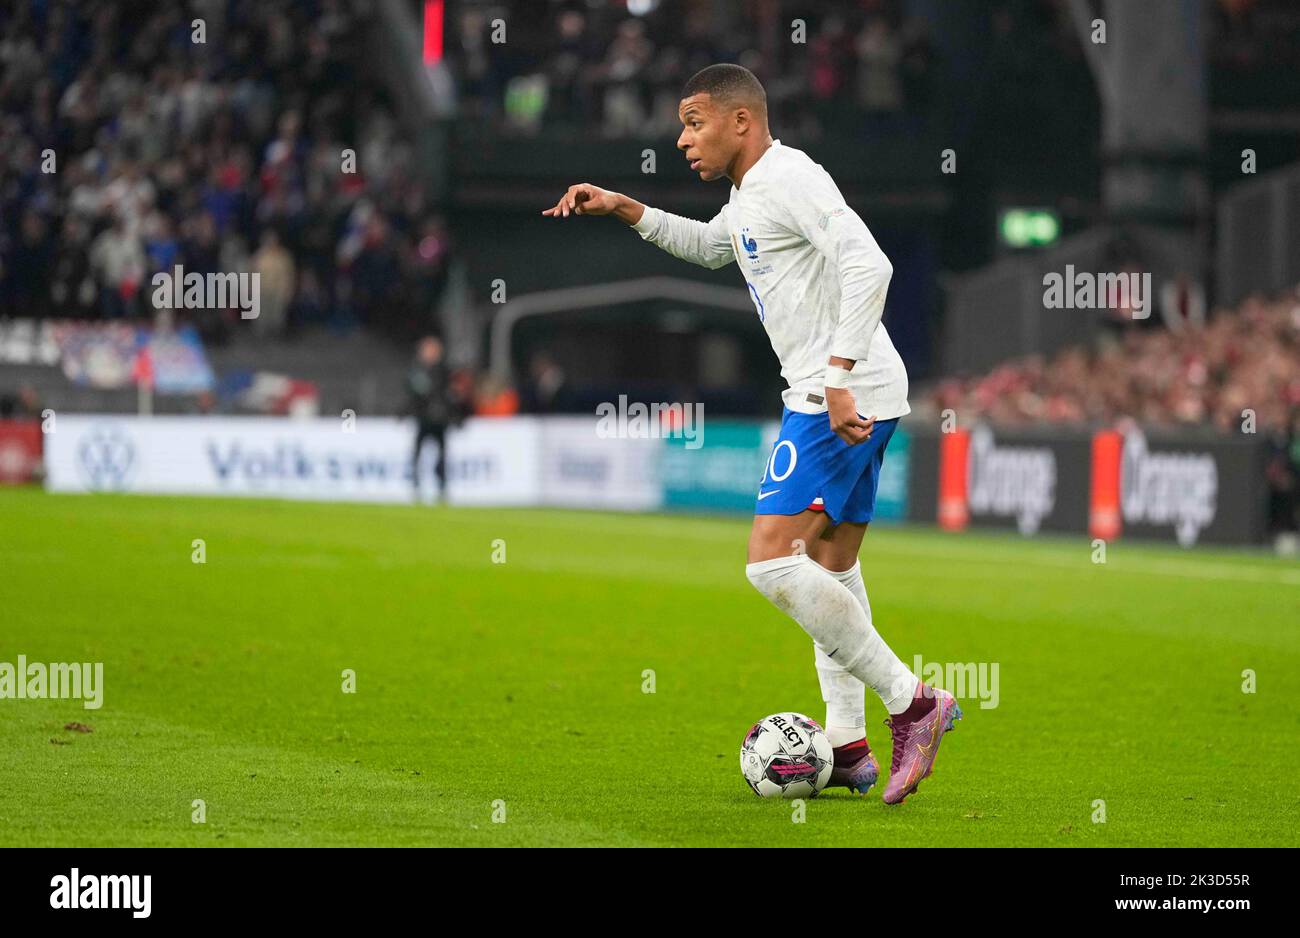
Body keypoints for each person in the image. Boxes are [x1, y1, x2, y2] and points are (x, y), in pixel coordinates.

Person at [542, 63, 959, 804]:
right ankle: (848, 742)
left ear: (743, 121)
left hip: (838, 391)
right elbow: (710, 247)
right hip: (861, 388)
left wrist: (835, 374)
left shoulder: (791, 177)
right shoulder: (748, 195)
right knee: (829, 567)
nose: (681, 139)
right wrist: (621, 206)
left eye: (694, 121)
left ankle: (913, 701)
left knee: (770, 563)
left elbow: (872, 262)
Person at [407, 336, 455, 502]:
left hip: (440, 420)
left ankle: (441, 487)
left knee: (441, 455)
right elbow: (412, 394)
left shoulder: (444, 370)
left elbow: (451, 395)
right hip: (423, 419)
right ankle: (416, 485)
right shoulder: (416, 370)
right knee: (417, 453)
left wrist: (452, 414)